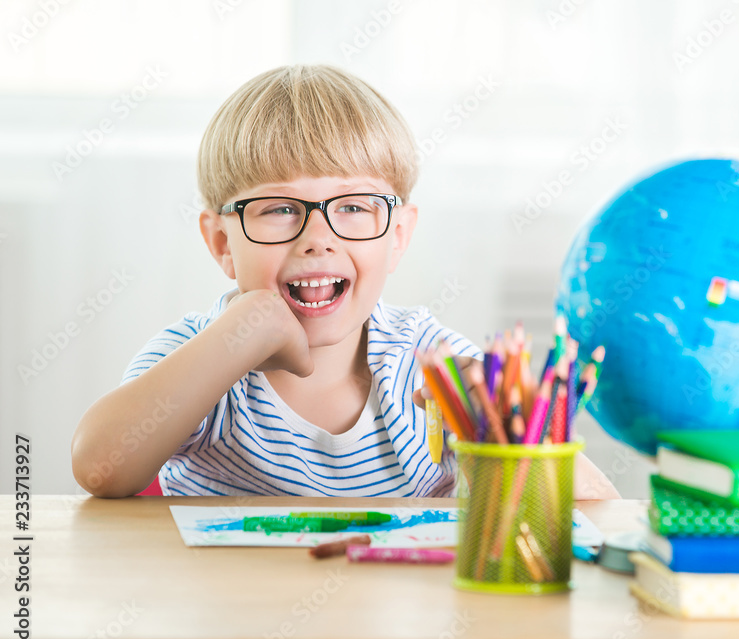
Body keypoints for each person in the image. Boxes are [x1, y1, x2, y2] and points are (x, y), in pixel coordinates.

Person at [72, 64, 619, 499]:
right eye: (280, 208)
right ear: (221, 244)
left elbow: (597, 507)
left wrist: (508, 437)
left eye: (354, 206)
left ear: (398, 235)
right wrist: (244, 330)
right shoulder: (199, 358)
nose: (317, 236)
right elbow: (100, 467)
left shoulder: (429, 364)